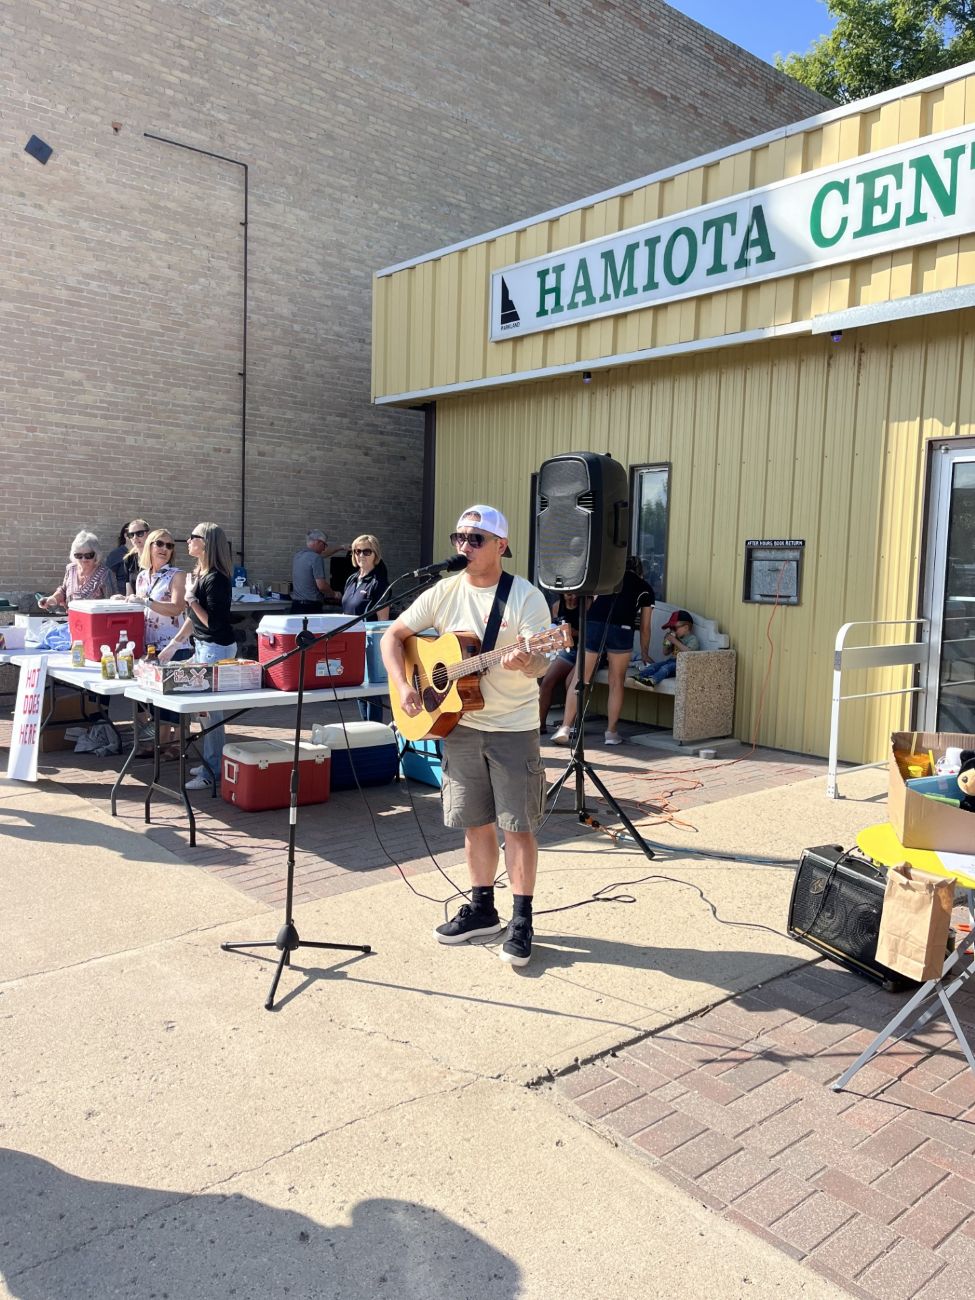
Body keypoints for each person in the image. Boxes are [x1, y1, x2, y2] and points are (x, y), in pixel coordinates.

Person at [382, 504, 552, 968]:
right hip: (457, 726)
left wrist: (528, 660)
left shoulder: (526, 597)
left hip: (512, 729)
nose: (464, 547)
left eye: (475, 539)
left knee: (517, 827)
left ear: (501, 545)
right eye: (459, 538)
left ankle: (521, 921)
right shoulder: (443, 591)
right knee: (474, 823)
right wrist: (402, 685)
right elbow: (393, 637)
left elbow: (543, 659)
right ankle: (482, 909)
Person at [158, 523, 237, 790]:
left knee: (211, 713)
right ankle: (212, 762)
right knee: (203, 712)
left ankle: (212, 771)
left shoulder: (217, 579)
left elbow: (213, 623)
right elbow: (194, 620)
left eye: (194, 537)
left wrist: (191, 600)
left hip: (216, 648)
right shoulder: (201, 573)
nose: (188, 541)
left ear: (206, 543)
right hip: (203, 647)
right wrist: (174, 644)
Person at [551, 554, 654, 747]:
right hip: (622, 629)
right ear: (641, 571)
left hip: (594, 624)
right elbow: (646, 627)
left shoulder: (607, 580)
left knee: (580, 678)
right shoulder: (645, 588)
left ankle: (565, 727)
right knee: (616, 682)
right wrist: (645, 652)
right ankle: (611, 733)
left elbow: (595, 602)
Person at [341, 533, 390, 723]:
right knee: (358, 689)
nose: (361, 555)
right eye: (357, 551)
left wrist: (380, 652)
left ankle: (375, 729)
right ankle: (364, 726)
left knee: (371, 692)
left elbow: (382, 622)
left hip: (368, 643)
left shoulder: (379, 583)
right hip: (350, 641)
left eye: (366, 551)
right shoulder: (352, 579)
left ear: (375, 555)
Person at [538, 591, 582, 735]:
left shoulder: (586, 604)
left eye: (576, 594)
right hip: (567, 650)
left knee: (571, 682)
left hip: (585, 650)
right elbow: (554, 630)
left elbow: (592, 633)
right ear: (562, 594)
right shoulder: (557, 606)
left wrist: (573, 632)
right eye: (569, 594)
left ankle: (570, 726)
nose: (573, 597)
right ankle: (540, 724)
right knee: (546, 681)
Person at [39, 530, 116, 607]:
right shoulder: (71, 569)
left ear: (96, 554)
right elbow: (63, 590)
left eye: (88, 555)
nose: (83, 559)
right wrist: (52, 599)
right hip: (72, 616)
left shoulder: (105, 574)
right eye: (78, 555)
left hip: (95, 618)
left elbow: (111, 603)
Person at [634, 609, 700, 686]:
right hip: (670, 661)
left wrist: (674, 640)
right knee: (655, 665)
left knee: (665, 668)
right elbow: (665, 652)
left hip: (683, 666)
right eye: (670, 629)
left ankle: (652, 681)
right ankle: (639, 676)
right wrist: (667, 642)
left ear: (686, 627)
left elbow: (689, 653)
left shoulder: (692, 639)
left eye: (674, 628)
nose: (672, 631)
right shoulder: (676, 637)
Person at [291, 529, 347, 614]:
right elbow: (322, 586)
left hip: (296, 606)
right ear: (318, 542)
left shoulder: (298, 555)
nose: (324, 548)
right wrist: (334, 594)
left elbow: (323, 554)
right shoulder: (316, 558)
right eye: (324, 545)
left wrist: (341, 547)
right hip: (310, 608)